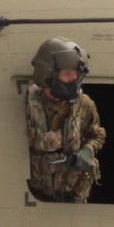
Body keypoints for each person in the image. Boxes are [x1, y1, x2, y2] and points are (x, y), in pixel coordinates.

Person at [25, 38, 105, 203]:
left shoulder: (84, 105)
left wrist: (87, 150)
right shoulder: (29, 105)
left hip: (72, 194)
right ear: (48, 74)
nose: (73, 79)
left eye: (76, 75)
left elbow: (97, 135)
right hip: (37, 194)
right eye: (67, 74)